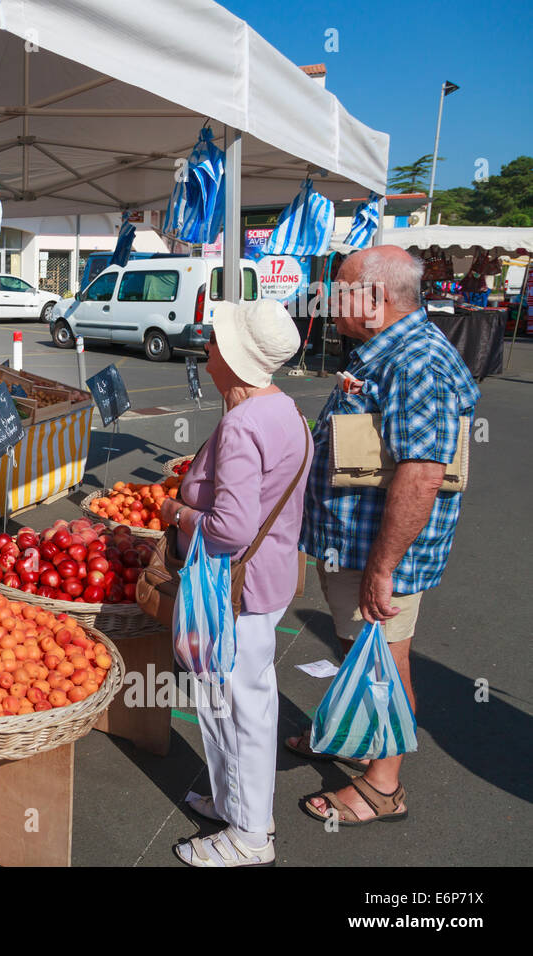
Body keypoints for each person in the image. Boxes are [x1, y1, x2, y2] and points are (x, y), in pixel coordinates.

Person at [289, 245, 479, 827]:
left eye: (339, 289)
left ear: (374, 299)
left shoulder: (414, 361)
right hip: (362, 548)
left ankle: (384, 786)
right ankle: (360, 739)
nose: (327, 300)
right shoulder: (388, 352)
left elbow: (423, 472)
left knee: (387, 666)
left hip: (379, 556)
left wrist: (381, 568)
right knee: (363, 655)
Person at [162, 298, 312, 867]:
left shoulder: (244, 422)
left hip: (234, 593)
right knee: (234, 704)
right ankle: (237, 804)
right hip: (262, 584)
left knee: (239, 708)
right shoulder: (286, 412)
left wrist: (178, 515)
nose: (207, 349)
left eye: (215, 341)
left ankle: (251, 837)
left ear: (233, 355)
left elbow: (230, 528)